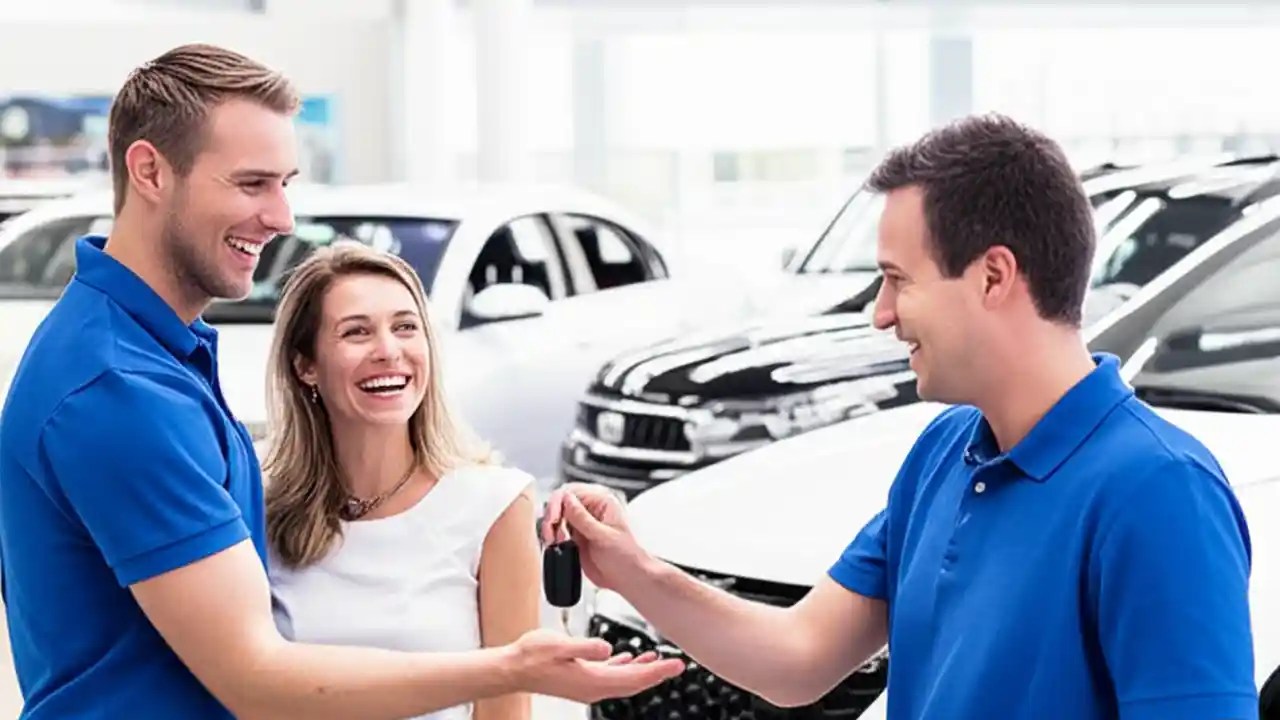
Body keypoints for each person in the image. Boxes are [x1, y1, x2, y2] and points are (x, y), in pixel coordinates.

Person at [0, 43, 682, 719]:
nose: (282, 218)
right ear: (149, 171)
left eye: (285, 183)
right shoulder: (116, 388)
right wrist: (511, 666)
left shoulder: (152, 356)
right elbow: (256, 679)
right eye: (251, 183)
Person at [543, 113, 1257, 720]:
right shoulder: (945, 454)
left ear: (993, 276)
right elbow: (798, 659)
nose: (881, 315)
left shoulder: (1162, 493)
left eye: (896, 280)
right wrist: (633, 571)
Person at [263, 240, 540, 720]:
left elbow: (506, 710)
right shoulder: (261, 507)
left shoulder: (495, 505)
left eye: (406, 327)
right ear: (305, 365)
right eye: (357, 332)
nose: (389, 351)